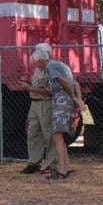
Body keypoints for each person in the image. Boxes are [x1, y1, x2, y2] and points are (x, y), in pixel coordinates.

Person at [30, 43, 85, 179]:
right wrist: (78, 99)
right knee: (61, 137)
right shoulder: (62, 65)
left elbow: (64, 82)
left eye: (37, 64)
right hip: (67, 101)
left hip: (61, 101)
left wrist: (74, 98)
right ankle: (67, 166)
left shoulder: (50, 67)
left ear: (41, 61)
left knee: (57, 136)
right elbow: (75, 83)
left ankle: (62, 170)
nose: (37, 67)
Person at [18, 43, 56, 174]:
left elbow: (51, 91)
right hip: (34, 103)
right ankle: (34, 161)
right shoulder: (37, 69)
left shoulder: (52, 69)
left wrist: (30, 88)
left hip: (46, 104)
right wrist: (26, 83)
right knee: (33, 132)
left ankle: (52, 163)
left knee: (49, 133)